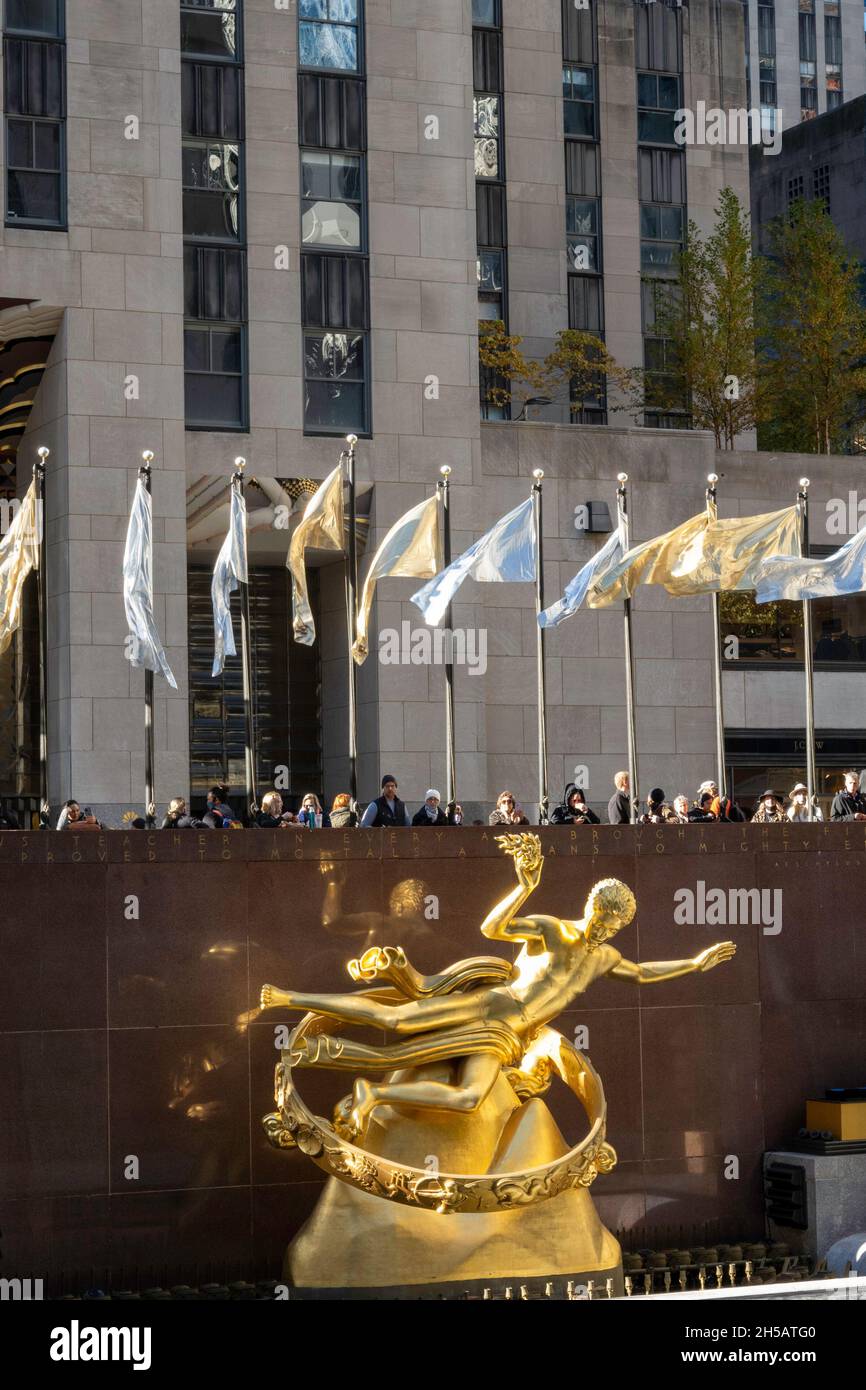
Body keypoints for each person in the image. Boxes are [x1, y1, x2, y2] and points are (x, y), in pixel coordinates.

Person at [260, 832, 735, 1137]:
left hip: (506, 1037)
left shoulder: (604, 957)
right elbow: (493, 929)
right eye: (603, 917)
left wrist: (694, 964)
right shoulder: (554, 929)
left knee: (468, 1098)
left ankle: (374, 1094)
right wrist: (524, 886)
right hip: (492, 1006)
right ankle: (288, 997)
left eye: (614, 925)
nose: (606, 929)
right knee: (396, 1018)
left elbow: (641, 973)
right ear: (592, 908)